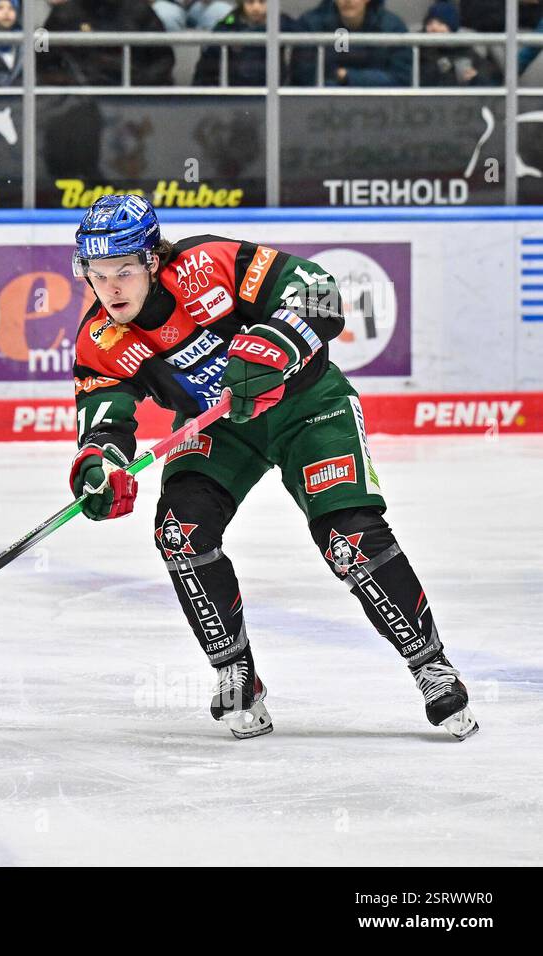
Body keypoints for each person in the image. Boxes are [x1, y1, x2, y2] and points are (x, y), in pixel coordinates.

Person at [66, 194, 478, 741]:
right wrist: (100, 466)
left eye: (123, 270)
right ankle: (236, 670)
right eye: (96, 274)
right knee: (180, 531)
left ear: (151, 259)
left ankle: (429, 663)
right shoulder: (102, 339)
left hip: (308, 407)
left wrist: (276, 342)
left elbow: (320, 293)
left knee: (348, 537)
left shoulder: (207, 264)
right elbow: (104, 425)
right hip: (219, 426)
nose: (110, 288)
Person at [36, 0, 175, 87]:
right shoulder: (63, 13)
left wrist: (138, 82)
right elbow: (41, 51)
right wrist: (65, 79)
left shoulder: (141, 12)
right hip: (78, 98)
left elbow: (165, 58)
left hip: (134, 96)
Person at [289, 0, 411, 87]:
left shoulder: (392, 27)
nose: (347, 1)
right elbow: (303, 76)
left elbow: (402, 78)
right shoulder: (311, 24)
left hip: (380, 108)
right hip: (321, 109)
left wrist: (346, 76)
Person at [193, 0, 296, 86]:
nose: (256, 8)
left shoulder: (283, 22)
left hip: (272, 90)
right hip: (236, 92)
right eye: (250, 2)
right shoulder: (229, 23)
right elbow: (208, 62)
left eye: (262, 2)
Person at [418, 3, 503, 87]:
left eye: (440, 23)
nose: (434, 28)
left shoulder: (466, 51)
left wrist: (475, 78)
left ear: (452, 28)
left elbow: (491, 83)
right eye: (429, 23)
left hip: (465, 100)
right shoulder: (418, 51)